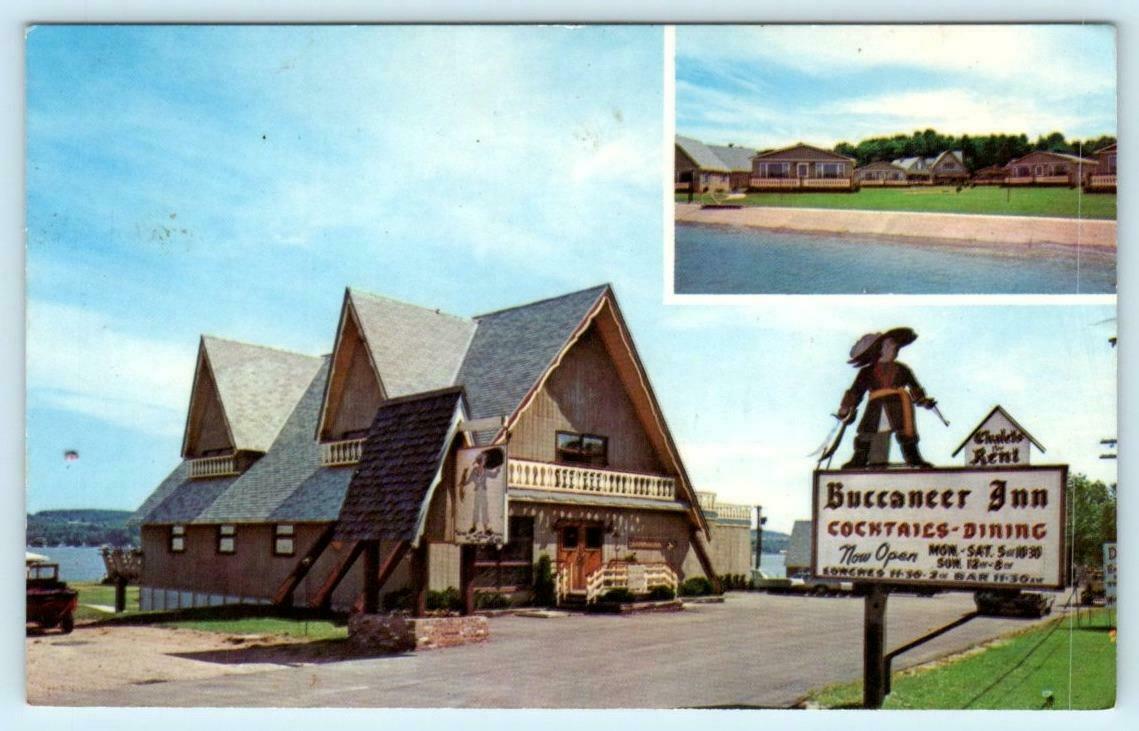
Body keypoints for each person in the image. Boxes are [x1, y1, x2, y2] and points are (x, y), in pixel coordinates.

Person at [837, 327, 937, 469]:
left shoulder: (902, 369)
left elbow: (914, 388)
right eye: (890, 344)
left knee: (906, 435)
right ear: (880, 349)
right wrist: (845, 407)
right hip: (875, 407)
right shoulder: (866, 372)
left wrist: (923, 401)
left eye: (894, 345)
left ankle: (914, 460)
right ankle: (859, 460)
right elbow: (856, 391)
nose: (894, 347)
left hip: (899, 407)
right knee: (867, 433)